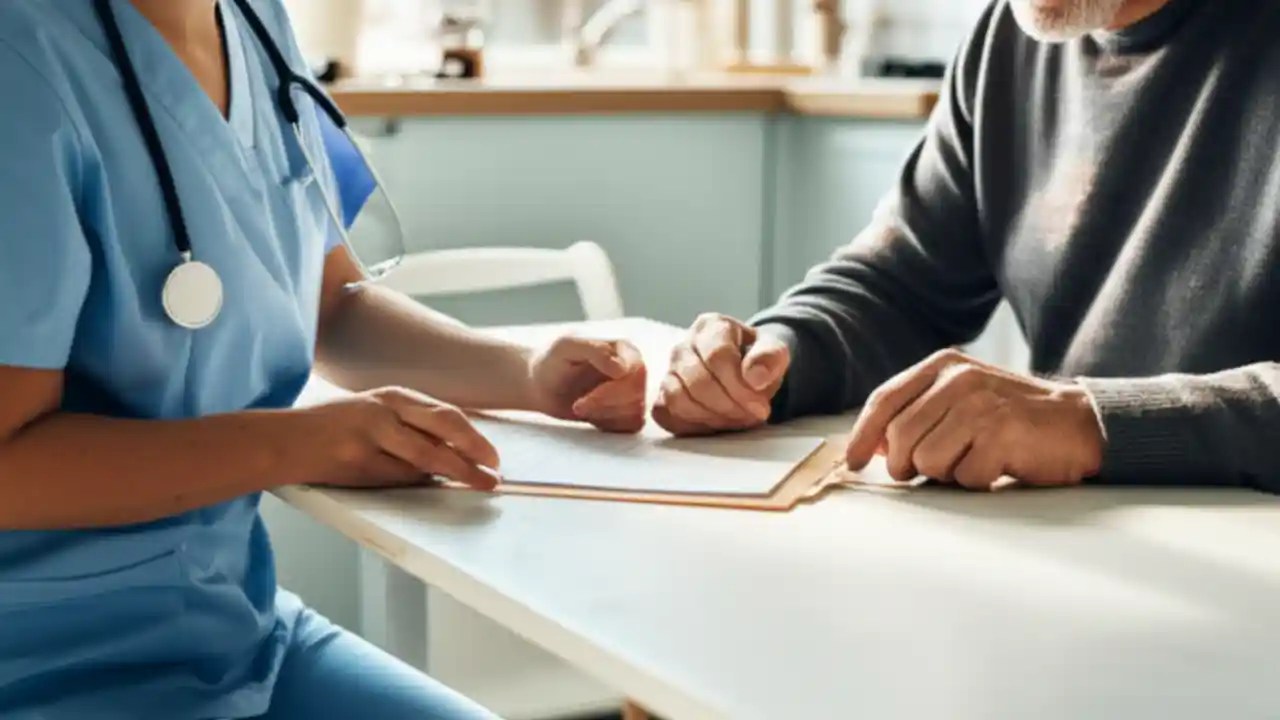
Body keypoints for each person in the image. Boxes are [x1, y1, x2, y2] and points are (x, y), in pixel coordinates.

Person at [0, 0, 645, 718]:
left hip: (238, 636)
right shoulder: (20, 60)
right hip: (44, 667)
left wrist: (523, 373)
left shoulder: (252, 23)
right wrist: (299, 444)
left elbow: (331, 305)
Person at [654, 0, 1280, 494]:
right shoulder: (1006, 43)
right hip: (1104, 544)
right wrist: (769, 359)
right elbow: (901, 286)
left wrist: (1092, 422)